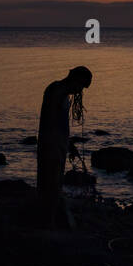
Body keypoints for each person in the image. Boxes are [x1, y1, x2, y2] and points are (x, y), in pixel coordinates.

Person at [36, 65, 92, 228]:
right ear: (75, 79)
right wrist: (59, 143)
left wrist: (69, 144)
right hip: (50, 144)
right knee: (49, 184)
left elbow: (61, 123)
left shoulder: (64, 94)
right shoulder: (56, 90)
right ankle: (47, 222)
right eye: (81, 86)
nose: (79, 91)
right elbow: (51, 121)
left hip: (58, 144)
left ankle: (49, 219)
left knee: (55, 183)